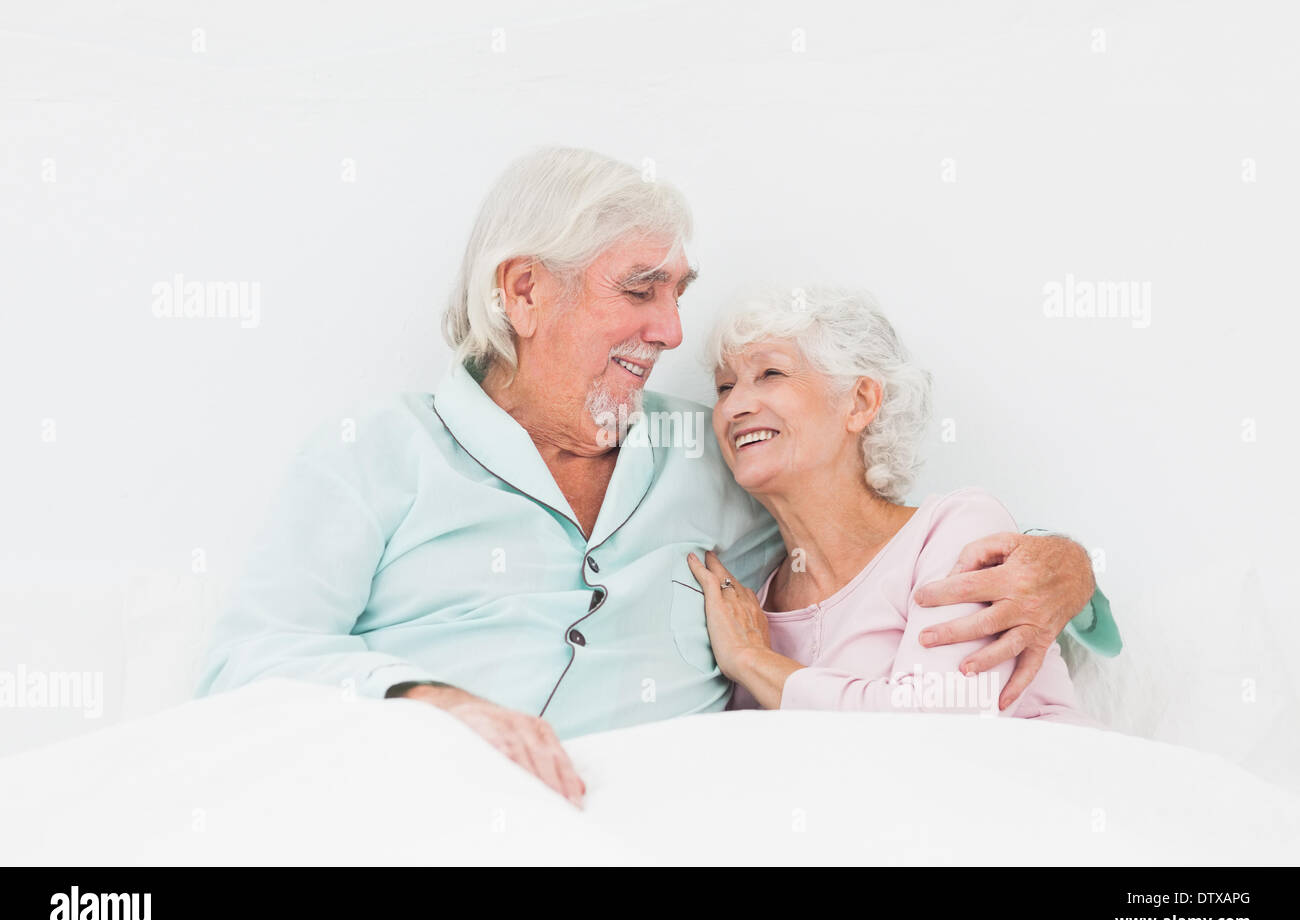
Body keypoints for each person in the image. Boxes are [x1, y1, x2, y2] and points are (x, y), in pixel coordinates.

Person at [197, 147, 1117, 807]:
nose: (674, 332)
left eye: (679, 292)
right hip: (433, 816)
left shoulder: (714, 454)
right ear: (523, 293)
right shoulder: (374, 451)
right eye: (641, 290)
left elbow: (885, 543)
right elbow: (247, 659)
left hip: (671, 828)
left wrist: (1066, 570)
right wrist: (431, 702)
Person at [688, 285, 1102, 726]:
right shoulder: (746, 607)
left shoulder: (957, 530)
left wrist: (754, 662)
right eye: (724, 387)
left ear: (860, 401)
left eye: (770, 374)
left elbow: (933, 727)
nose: (734, 406)